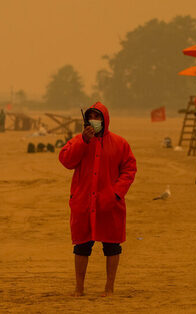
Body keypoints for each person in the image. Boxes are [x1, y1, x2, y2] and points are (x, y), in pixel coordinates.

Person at [59, 101, 137, 297]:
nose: (94, 121)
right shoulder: (79, 140)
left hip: (110, 203)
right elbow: (66, 160)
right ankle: (79, 288)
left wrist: (116, 193)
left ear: (105, 120)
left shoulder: (120, 143)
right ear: (86, 120)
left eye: (98, 117)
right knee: (81, 245)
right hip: (83, 202)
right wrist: (82, 142)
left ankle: (109, 287)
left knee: (112, 245)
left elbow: (129, 169)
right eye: (91, 117)